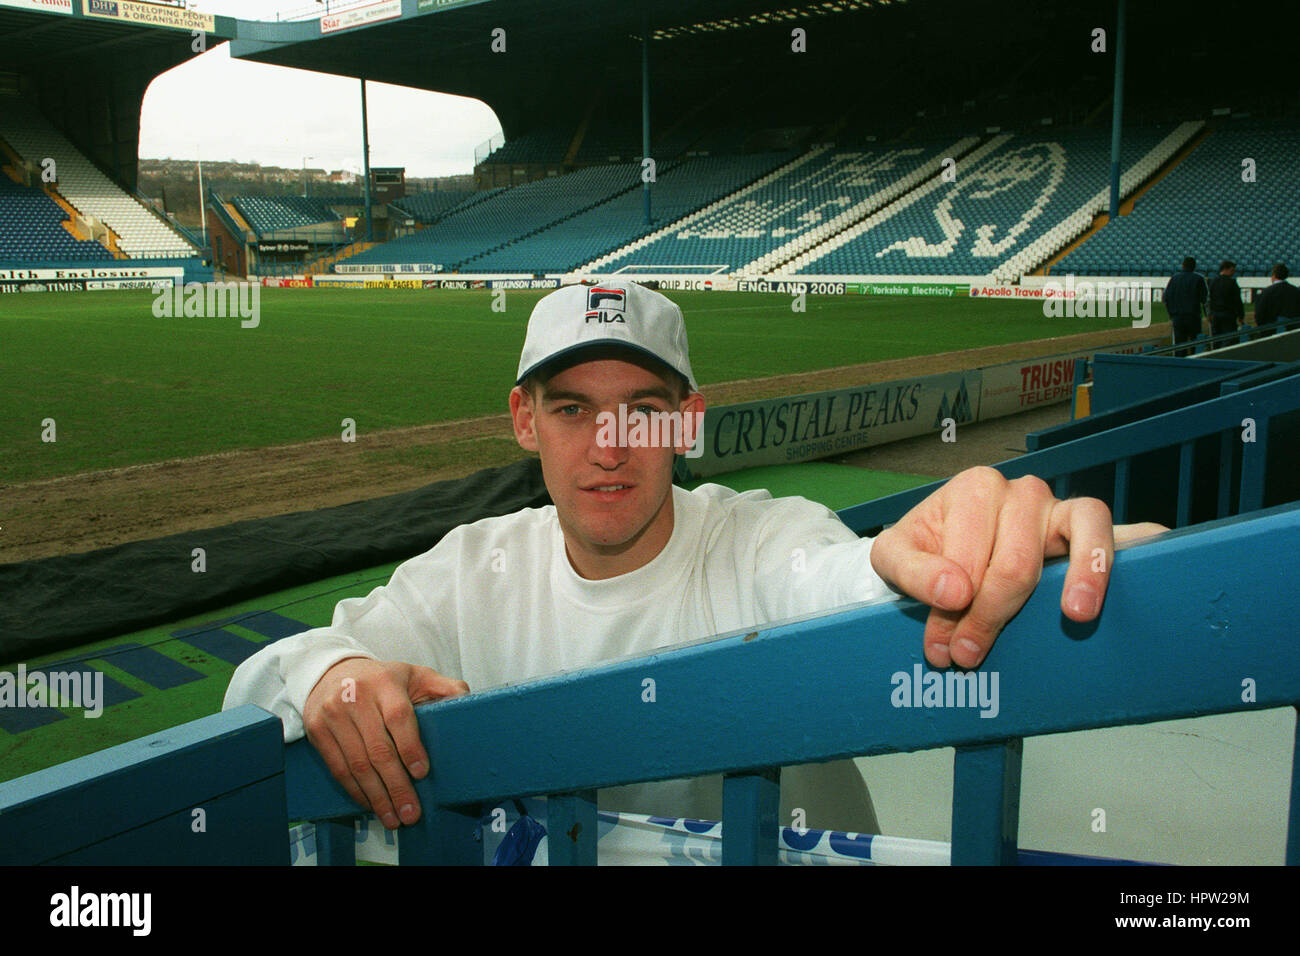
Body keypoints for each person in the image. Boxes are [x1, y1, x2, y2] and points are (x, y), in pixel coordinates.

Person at [224, 281, 1162, 835]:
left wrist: (960, 541)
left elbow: (843, 575)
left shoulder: (757, 540)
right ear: (524, 421)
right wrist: (330, 672)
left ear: (688, 422)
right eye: (571, 408)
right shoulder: (472, 571)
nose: (608, 445)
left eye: (642, 407)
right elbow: (257, 686)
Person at [1163, 256, 1208, 357]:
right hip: (1193, 316)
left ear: (1183, 266)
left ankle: (1179, 367)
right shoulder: (1199, 279)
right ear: (1194, 267)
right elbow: (1205, 300)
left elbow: (1166, 298)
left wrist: (1171, 314)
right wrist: (1207, 315)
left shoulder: (1174, 278)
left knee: (1179, 346)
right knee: (1195, 345)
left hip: (1178, 317)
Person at [1249, 262, 1300, 338]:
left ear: (1273, 275)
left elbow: (1259, 314)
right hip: (1293, 332)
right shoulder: (1296, 291)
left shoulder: (1266, 292)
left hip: (1270, 332)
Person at [1207, 260, 1245, 348]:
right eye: (1232, 270)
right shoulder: (1232, 283)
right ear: (1225, 269)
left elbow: (1208, 299)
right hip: (1228, 315)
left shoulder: (1212, 282)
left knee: (1216, 340)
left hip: (1215, 314)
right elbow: (1237, 301)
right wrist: (1241, 316)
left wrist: (1209, 314)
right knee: (1229, 340)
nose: (1233, 273)